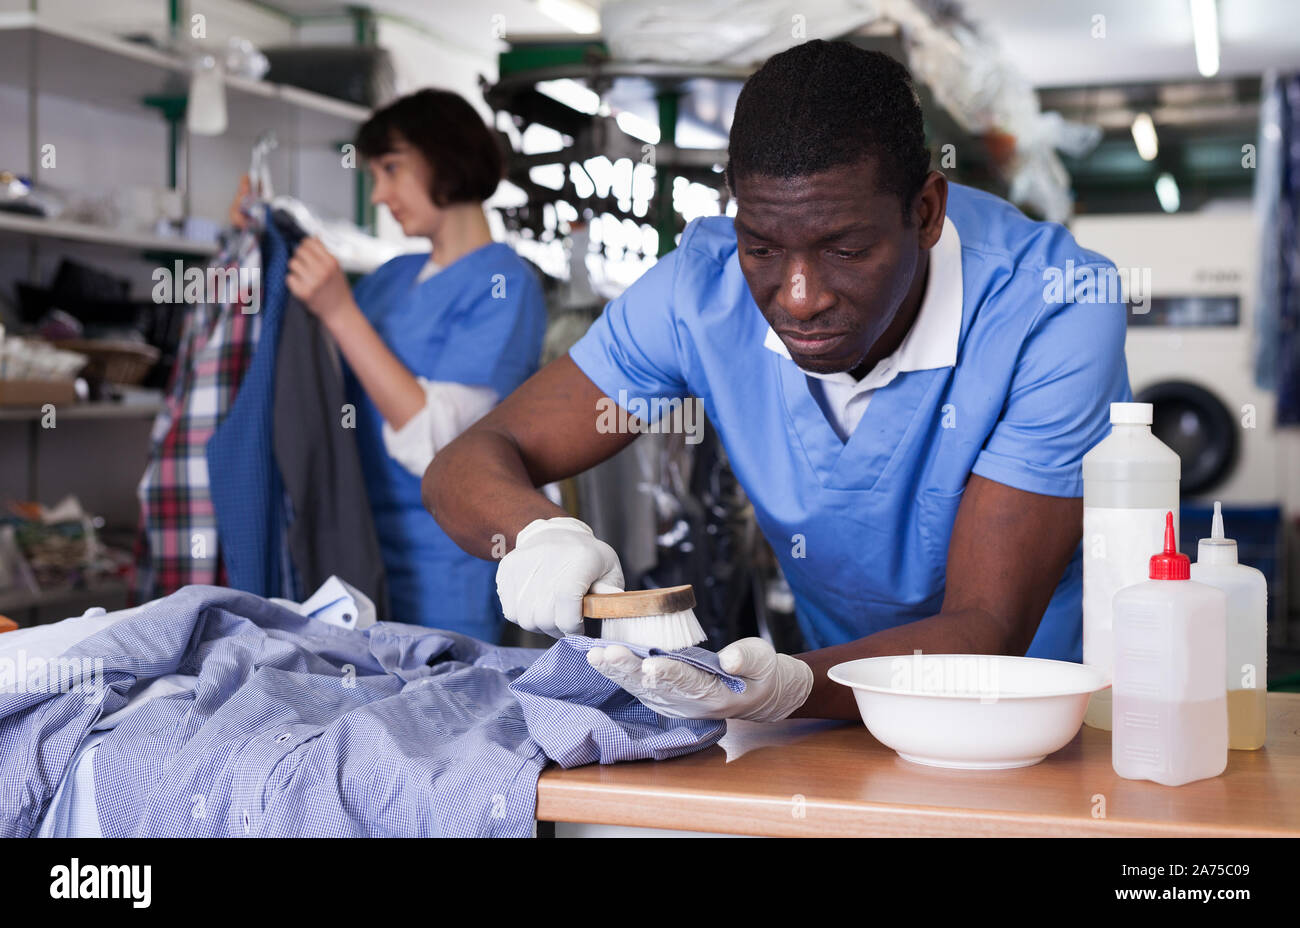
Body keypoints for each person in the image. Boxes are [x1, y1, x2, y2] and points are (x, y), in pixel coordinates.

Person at [423, 41, 1132, 720]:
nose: (799, 295)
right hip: (842, 713)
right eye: (761, 246)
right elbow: (467, 462)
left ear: (925, 212)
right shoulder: (697, 294)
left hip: (1041, 723)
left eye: (846, 249)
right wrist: (539, 534)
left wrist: (784, 689)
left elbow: (985, 633)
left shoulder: (1053, 305)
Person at [234, 88, 546, 641]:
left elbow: (442, 442)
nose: (379, 194)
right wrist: (260, 233)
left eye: (392, 169)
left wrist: (339, 311)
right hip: (354, 545)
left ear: (446, 156)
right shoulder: (390, 277)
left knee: (447, 710)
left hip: (446, 561)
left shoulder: (504, 286)